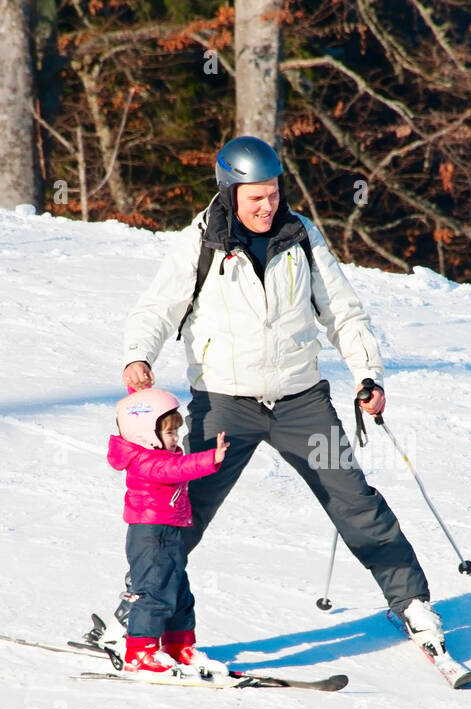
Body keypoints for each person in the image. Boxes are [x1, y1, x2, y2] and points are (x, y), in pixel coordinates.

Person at [120, 135, 447, 652]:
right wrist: (139, 354)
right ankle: (140, 610)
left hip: (300, 402)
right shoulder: (200, 241)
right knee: (180, 514)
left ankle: (411, 603)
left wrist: (368, 374)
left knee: (354, 501)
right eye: (256, 197)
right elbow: (157, 309)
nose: (268, 205)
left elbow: (343, 312)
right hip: (224, 402)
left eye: (273, 193)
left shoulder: (301, 236)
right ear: (229, 192)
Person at [107, 387, 230, 674]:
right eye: (170, 433)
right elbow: (174, 470)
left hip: (169, 532)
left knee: (179, 592)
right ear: (145, 434)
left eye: (176, 432)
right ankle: (139, 651)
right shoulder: (145, 460)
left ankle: (178, 645)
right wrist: (210, 459)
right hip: (150, 535)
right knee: (154, 592)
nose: (176, 439)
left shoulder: (158, 454)